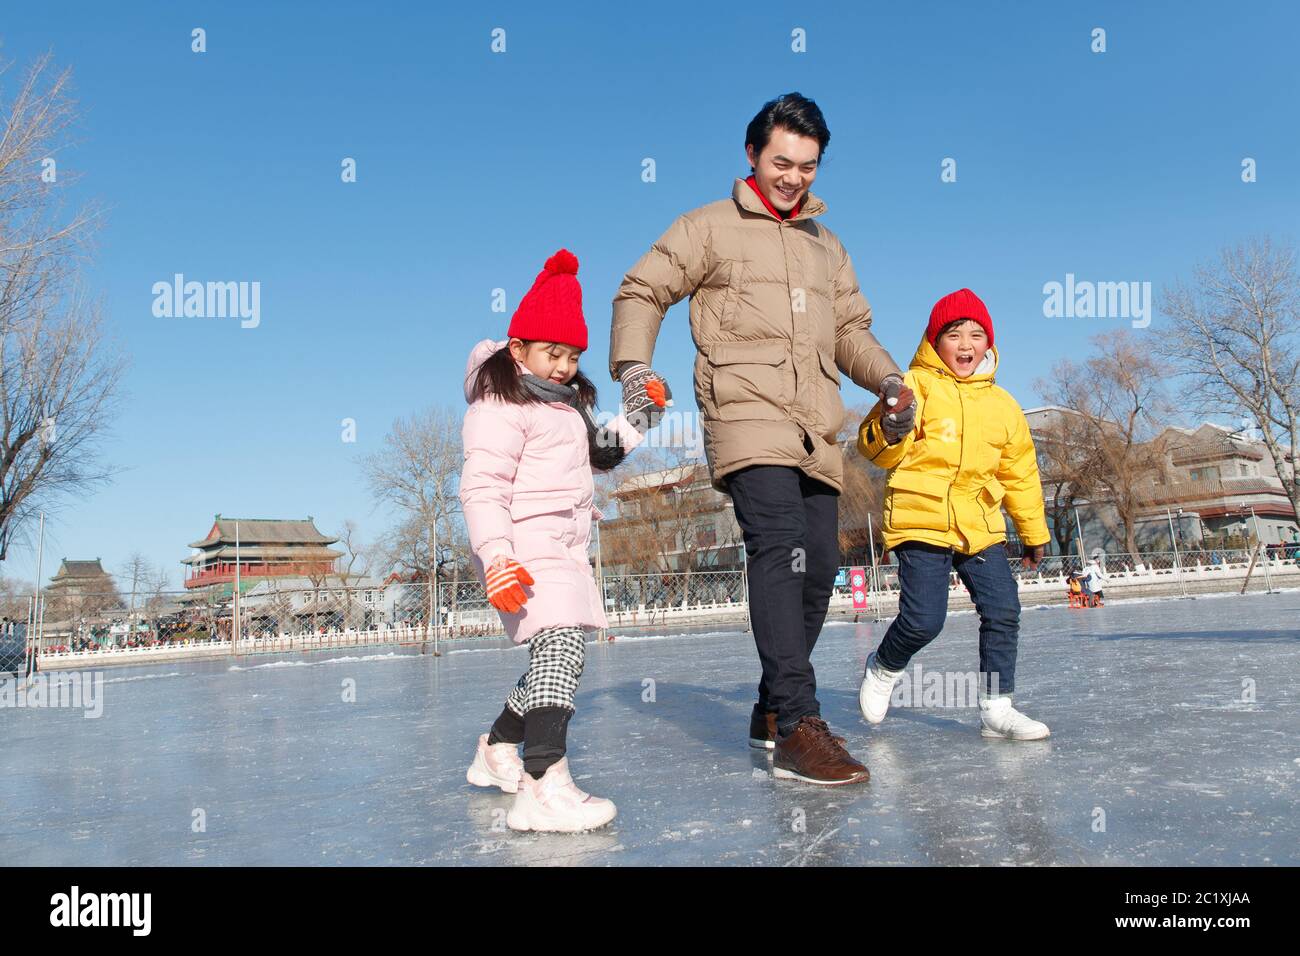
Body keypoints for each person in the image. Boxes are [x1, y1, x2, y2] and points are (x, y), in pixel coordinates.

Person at [610, 92, 912, 786]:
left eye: (808, 166)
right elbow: (641, 290)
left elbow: (850, 331)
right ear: (752, 155)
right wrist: (634, 368)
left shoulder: (826, 246)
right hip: (745, 412)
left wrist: (890, 380)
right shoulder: (708, 227)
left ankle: (772, 710)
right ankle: (800, 723)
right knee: (779, 546)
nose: (794, 177)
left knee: (820, 569)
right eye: (782, 162)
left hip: (816, 425)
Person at [460, 249, 661, 832]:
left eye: (572, 356)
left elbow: (600, 455)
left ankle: (499, 746)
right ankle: (544, 783)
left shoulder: (566, 407)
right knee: (562, 649)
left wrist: (643, 417)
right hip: (521, 550)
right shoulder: (499, 405)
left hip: (566, 547)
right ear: (518, 348)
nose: (563, 367)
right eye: (552, 352)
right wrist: (496, 557)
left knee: (557, 653)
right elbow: (482, 486)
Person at [856, 288, 1053, 740]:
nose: (966, 344)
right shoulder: (915, 385)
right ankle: (884, 666)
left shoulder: (1003, 405)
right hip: (920, 518)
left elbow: (1020, 473)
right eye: (954, 334)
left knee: (1003, 610)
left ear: (989, 344)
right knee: (924, 620)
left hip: (979, 523)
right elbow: (875, 451)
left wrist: (1033, 531)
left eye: (976, 335)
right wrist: (890, 428)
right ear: (934, 341)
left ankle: (997, 707)